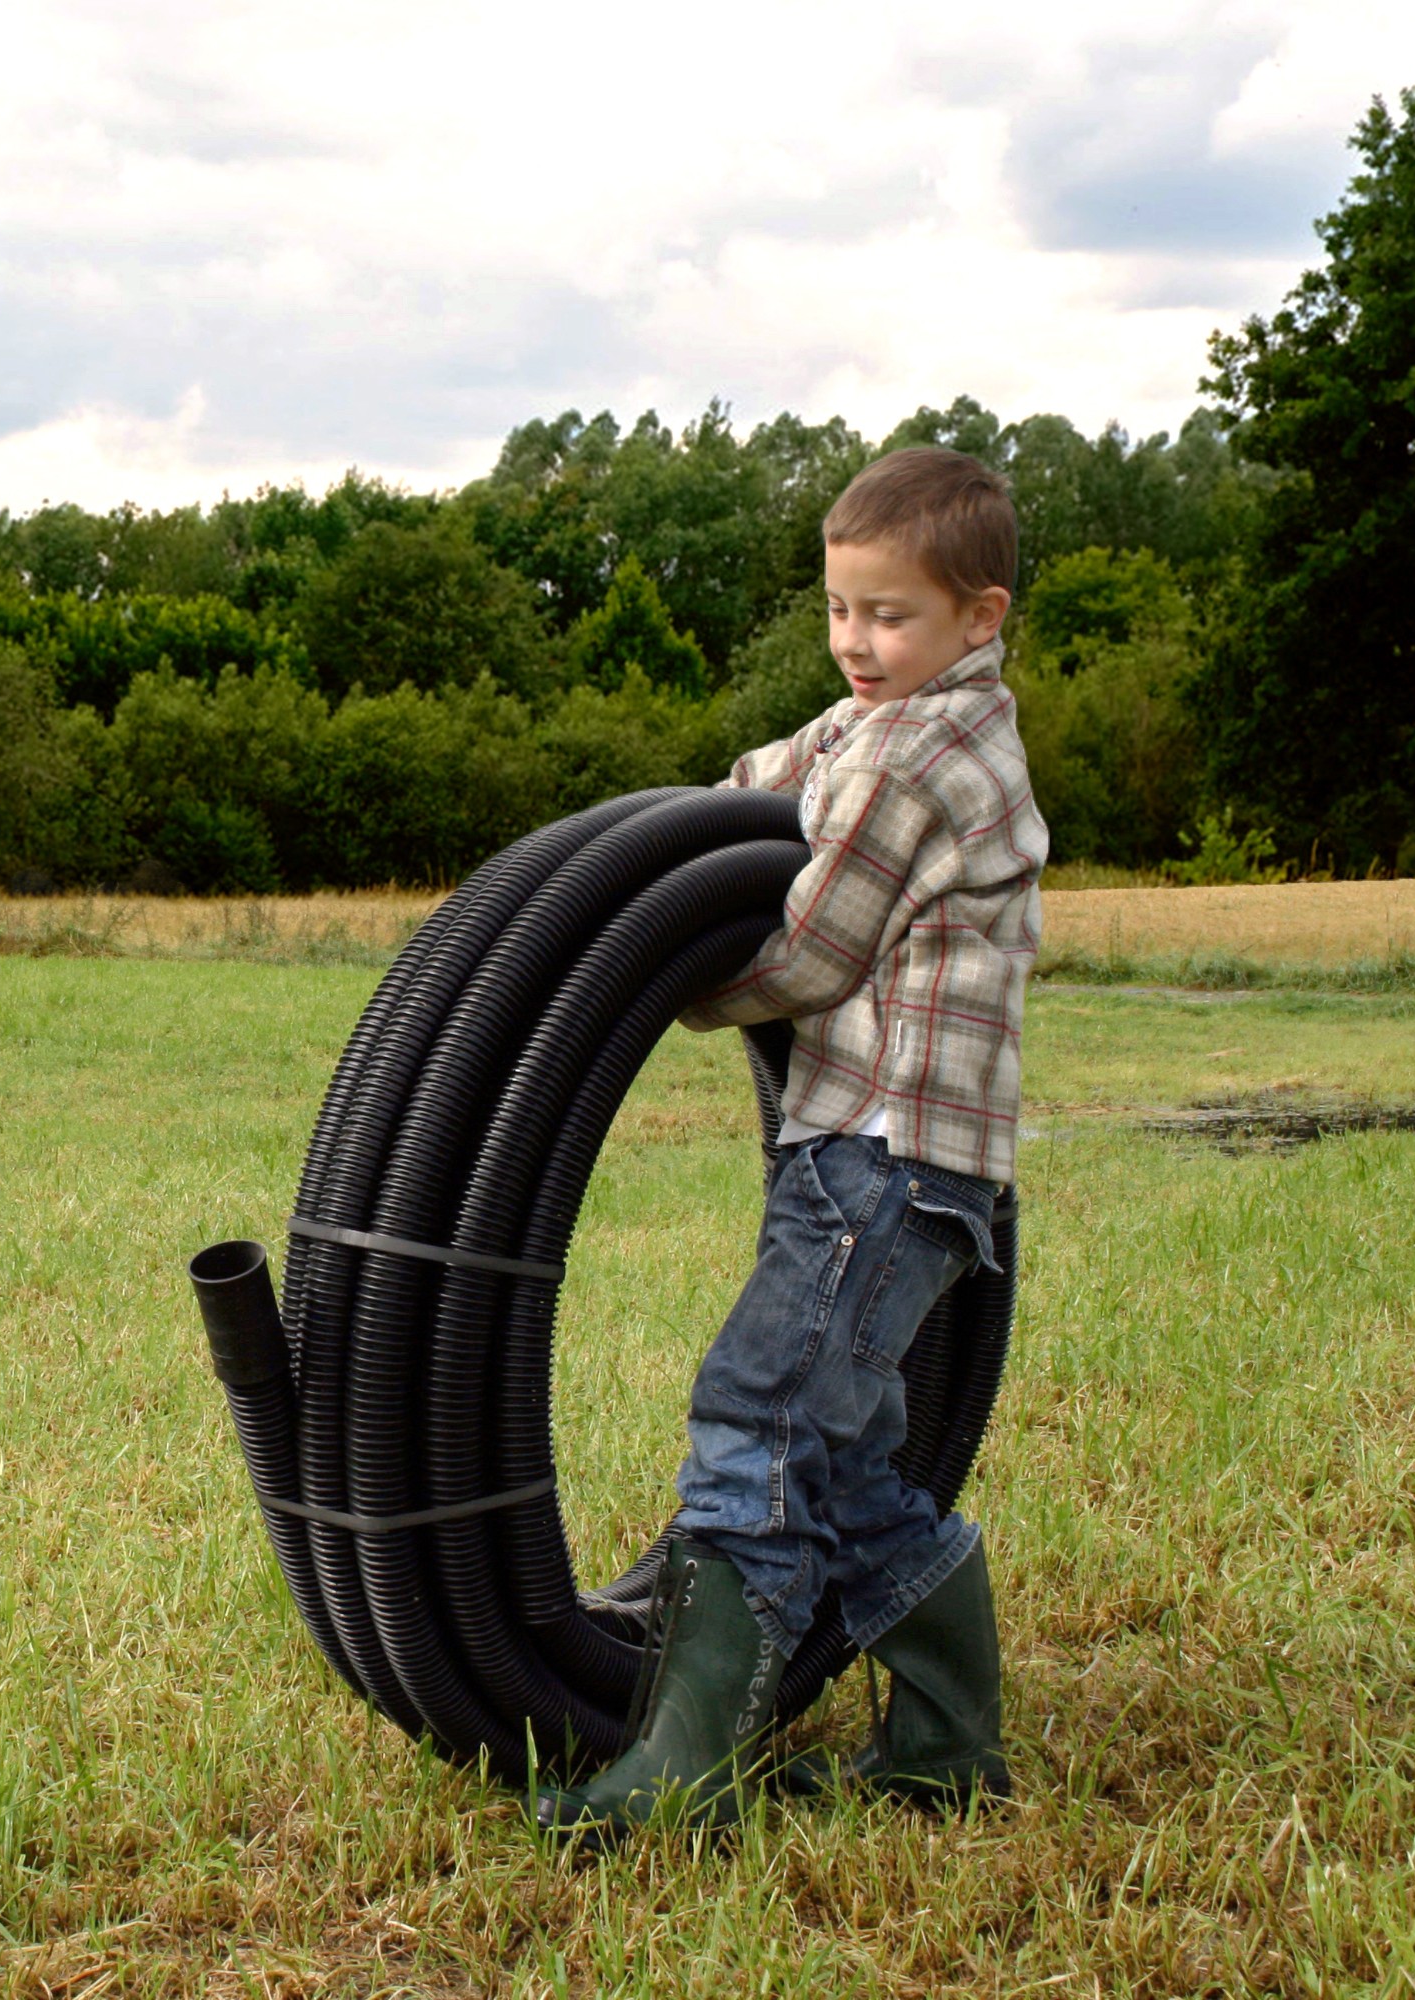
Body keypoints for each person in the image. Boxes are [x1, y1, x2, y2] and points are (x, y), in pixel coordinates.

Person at [535, 446, 1048, 1843]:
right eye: (839, 609)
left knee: (757, 1417)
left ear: (979, 616)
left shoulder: (920, 757)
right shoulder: (886, 727)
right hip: (902, 1160)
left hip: (882, 1150)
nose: (855, 642)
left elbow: (816, 953)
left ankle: (688, 1766)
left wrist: (672, 986)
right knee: (844, 1461)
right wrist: (659, 853)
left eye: (890, 617)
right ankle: (947, 1748)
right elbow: (773, 777)